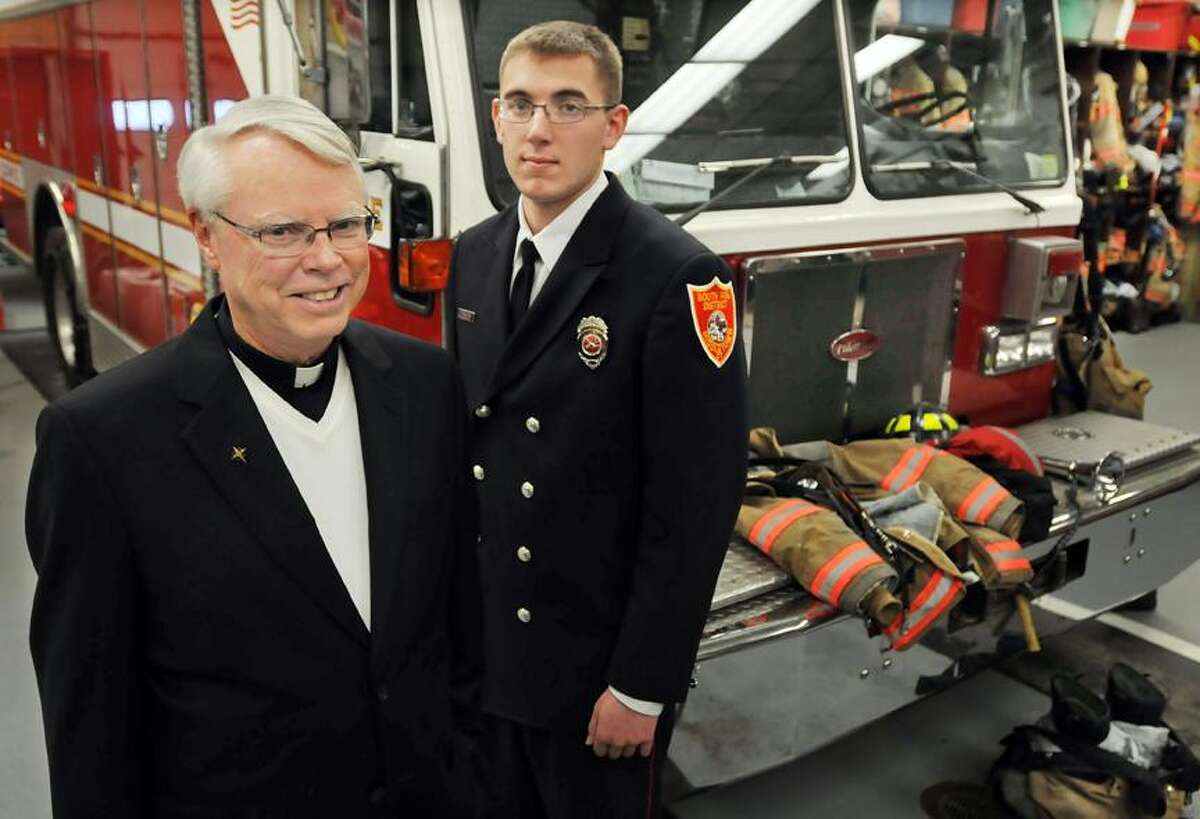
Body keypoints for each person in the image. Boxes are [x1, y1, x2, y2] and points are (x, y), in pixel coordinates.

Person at [26, 95, 480, 818]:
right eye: (283, 232)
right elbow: (91, 728)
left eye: (344, 224)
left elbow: (459, 622)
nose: (327, 259)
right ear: (205, 235)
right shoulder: (104, 440)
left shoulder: (424, 385)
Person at [449, 21, 748, 819]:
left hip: (595, 671)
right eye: (520, 103)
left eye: (568, 105)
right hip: (490, 647)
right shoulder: (473, 256)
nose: (539, 129)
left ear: (615, 126)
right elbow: (471, 452)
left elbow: (693, 508)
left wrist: (642, 685)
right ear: (495, 118)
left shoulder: (676, 277)